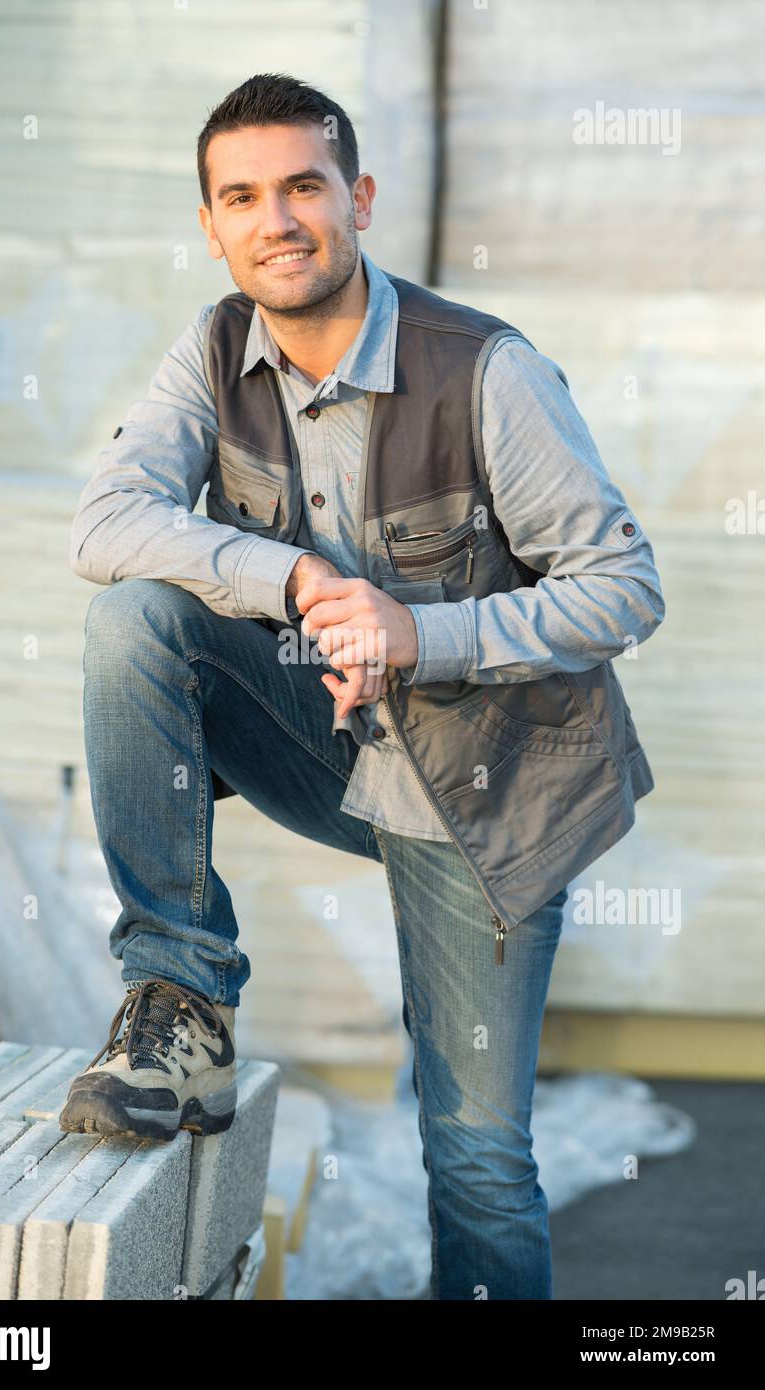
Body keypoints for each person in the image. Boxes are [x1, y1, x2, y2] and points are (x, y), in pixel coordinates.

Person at [59, 72, 665, 1300]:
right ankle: (179, 1001)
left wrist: (412, 633)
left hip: (486, 793)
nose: (275, 220)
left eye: (302, 187)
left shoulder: (484, 371)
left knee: (475, 1155)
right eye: (243, 197)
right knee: (134, 620)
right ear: (212, 226)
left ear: (359, 199)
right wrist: (291, 583)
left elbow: (623, 587)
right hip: (329, 747)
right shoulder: (215, 346)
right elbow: (105, 523)